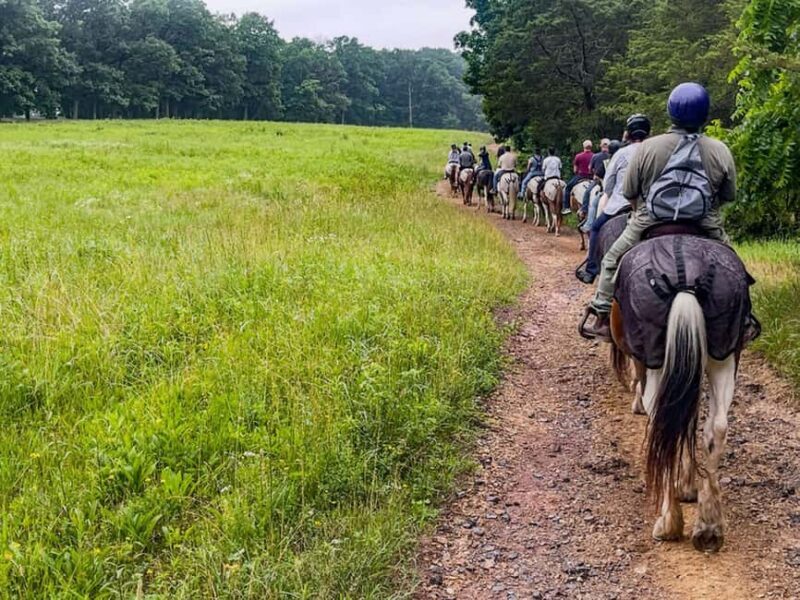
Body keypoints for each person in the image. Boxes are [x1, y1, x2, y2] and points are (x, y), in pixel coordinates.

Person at [582, 82, 737, 340]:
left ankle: (601, 315)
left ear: (671, 112)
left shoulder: (647, 147)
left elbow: (630, 192)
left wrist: (642, 212)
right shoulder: (719, 149)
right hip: (705, 223)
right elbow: (728, 195)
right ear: (705, 114)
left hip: (649, 220)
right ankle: (742, 321)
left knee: (610, 260)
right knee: (735, 267)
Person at [577, 117, 651, 284]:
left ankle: (591, 270)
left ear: (628, 134)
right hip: (650, 209)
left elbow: (608, 185)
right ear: (648, 132)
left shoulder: (620, 154)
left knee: (595, 227)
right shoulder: (655, 151)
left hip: (620, 205)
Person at [561, 140, 594, 214]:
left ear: (583, 147)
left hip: (581, 176)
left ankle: (566, 207)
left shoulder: (578, 156)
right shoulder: (594, 156)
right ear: (591, 147)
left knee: (568, 187)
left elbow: (575, 170)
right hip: (592, 177)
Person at [580, 138, 610, 215]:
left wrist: (593, 173)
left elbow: (590, 169)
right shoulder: (612, 156)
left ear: (601, 146)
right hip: (610, 180)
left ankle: (584, 210)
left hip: (598, 180)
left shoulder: (595, 156)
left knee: (587, 192)